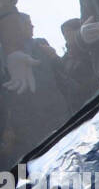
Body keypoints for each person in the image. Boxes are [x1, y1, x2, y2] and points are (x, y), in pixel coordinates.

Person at [0, 10, 70, 168]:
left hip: (55, 115)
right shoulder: (4, 55)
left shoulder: (41, 45)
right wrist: (8, 128)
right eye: (26, 23)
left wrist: (54, 58)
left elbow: (61, 75)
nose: (31, 26)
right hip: (23, 125)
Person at [58, 18, 99, 110]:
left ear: (78, 30)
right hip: (79, 105)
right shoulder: (65, 59)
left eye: (68, 31)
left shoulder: (92, 49)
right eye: (64, 33)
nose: (66, 35)